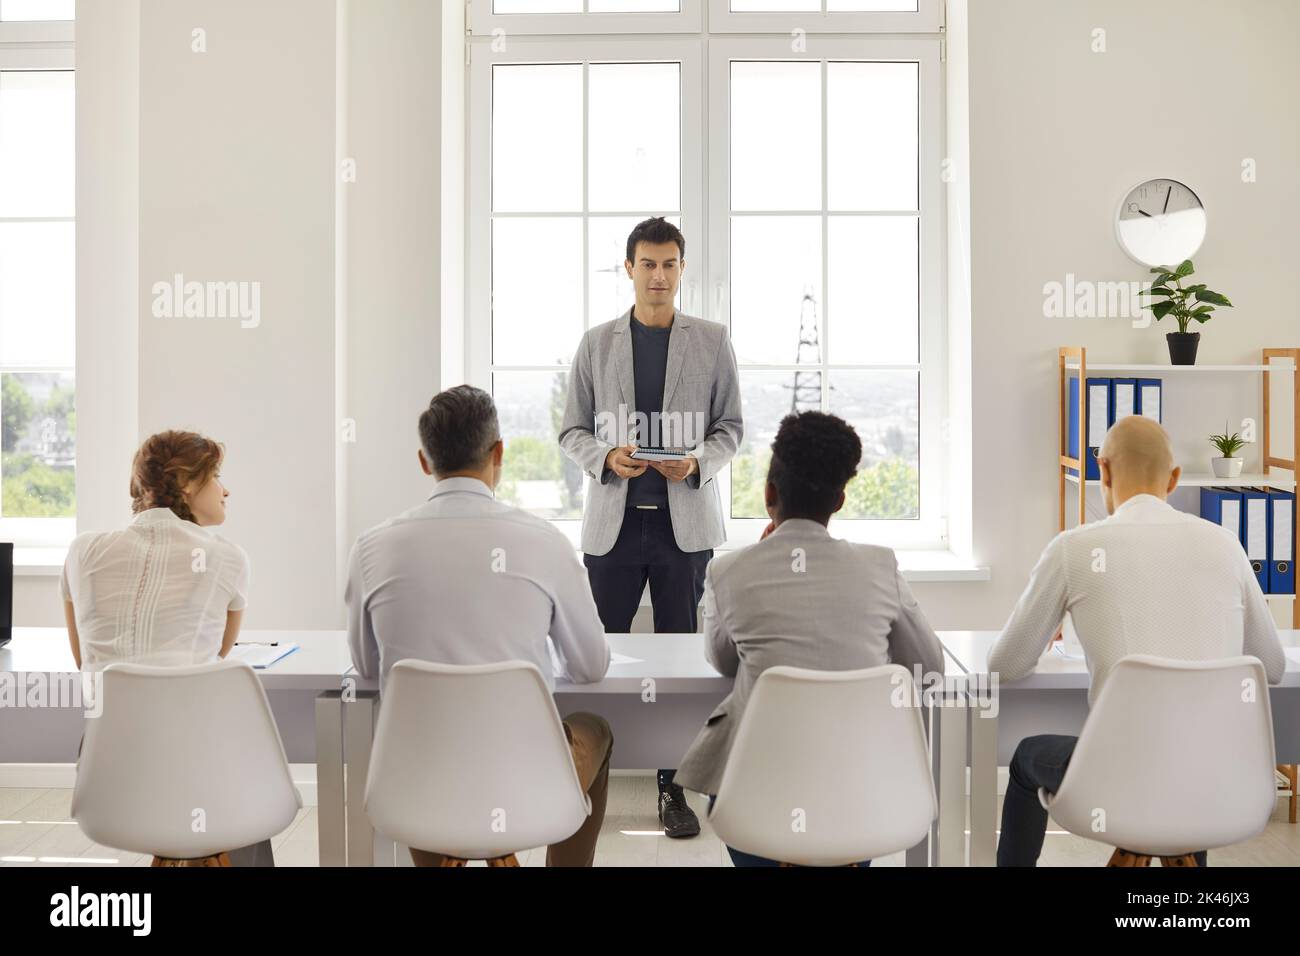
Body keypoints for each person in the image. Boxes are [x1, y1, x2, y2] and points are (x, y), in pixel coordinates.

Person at [989, 415, 1286, 866]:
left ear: (1103, 471)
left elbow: (1004, 666)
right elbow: (1273, 665)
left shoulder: (1075, 548)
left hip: (1120, 785)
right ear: (1174, 479)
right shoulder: (1227, 544)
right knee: (1192, 758)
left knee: (1028, 755)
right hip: (1219, 785)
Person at [347, 385, 613, 866]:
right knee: (594, 727)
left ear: (425, 462)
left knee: (421, 750)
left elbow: (367, 666)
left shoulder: (371, 548)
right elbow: (591, 666)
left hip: (417, 785)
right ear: (499, 453)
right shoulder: (545, 542)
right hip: (526, 782)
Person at [673, 411, 945, 866]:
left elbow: (722, 660)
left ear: (768, 494)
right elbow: (928, 668)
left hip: (756, 808)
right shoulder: (880, 567)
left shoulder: (728, 570)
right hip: (861, 805)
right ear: (839, 501)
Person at [559, 216, 743, 839]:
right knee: (596, 660)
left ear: (682, 269)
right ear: (630, 269)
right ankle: (586, 785)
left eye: (669, 264)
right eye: (648, 264)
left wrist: (697, 463)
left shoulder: (713, 342)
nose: (658, 275)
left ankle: (674, 788)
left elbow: (732, 429)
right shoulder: (596, 343)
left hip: (683, 529)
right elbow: (571, 430)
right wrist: (606, 458)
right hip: (611, 529)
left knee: (685, 662)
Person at [61, 430, 266, 865]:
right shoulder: (228, 558)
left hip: (106, 781)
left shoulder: (82, 552)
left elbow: (87, 661)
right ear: (187, 484)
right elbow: (219, 653)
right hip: (193, 777)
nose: (226, 490)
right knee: (243, 759)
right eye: (216, 477)